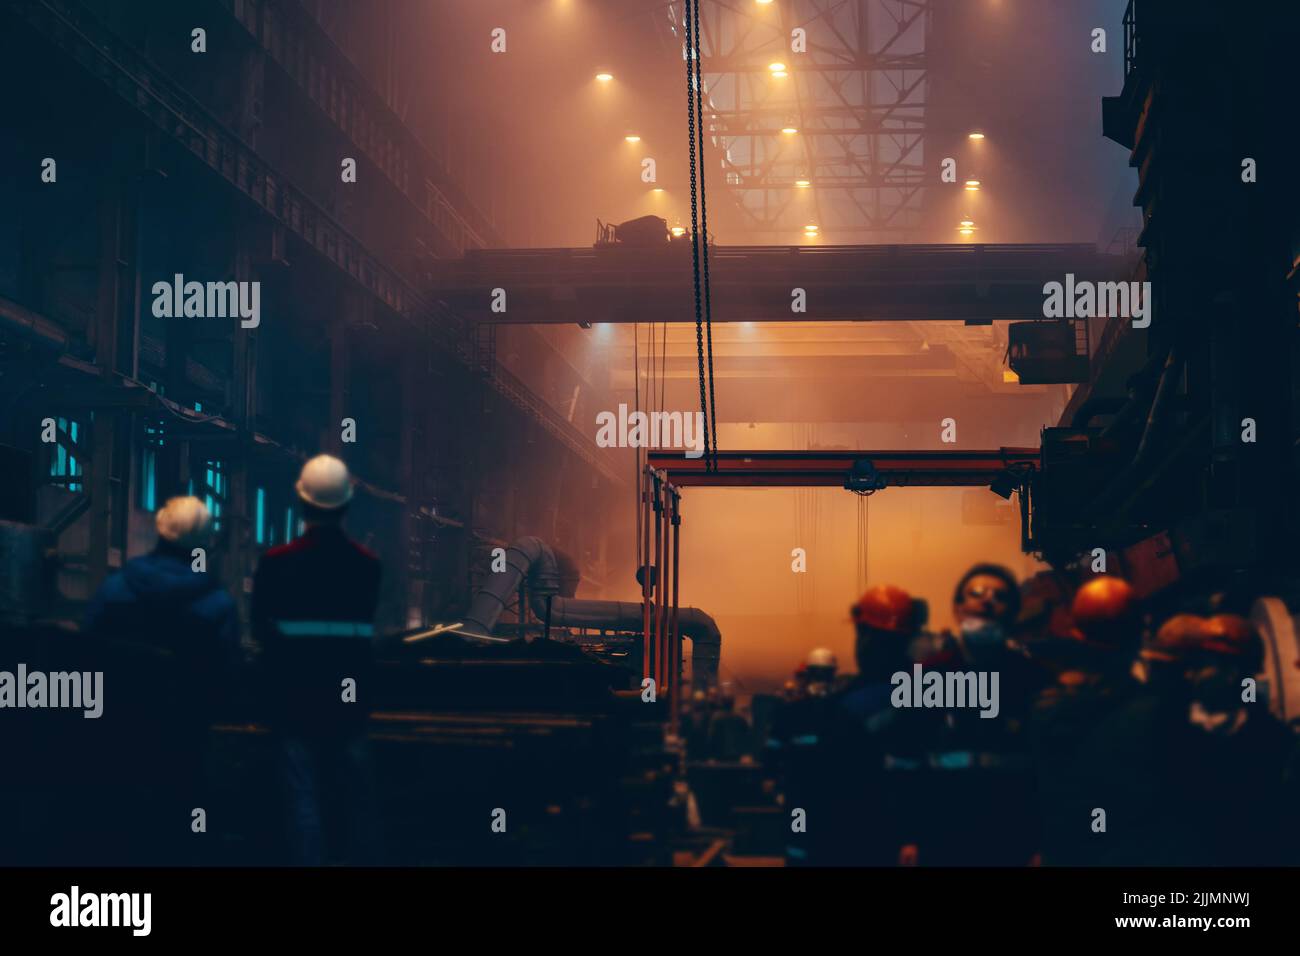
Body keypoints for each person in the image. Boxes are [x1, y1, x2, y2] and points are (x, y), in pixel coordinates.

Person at [84, 496, 240, 864]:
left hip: (118, 731)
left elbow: (87, 654)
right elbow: (227, 677)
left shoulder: (116, 589)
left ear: (160, 530)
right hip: (185, 735)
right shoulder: (216, 604)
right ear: (205, 543)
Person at [252, 455, 383, 865]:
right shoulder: (367, 567)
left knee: (302, 800)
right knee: (354, 802)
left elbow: (261, 632)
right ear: (345, 506)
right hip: (349, 706)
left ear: (303, 504)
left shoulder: (276, 564)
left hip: (295, 704)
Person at [911, 564, 1047, 866]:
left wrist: (1041, 843)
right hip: (942, 839)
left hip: (1009, 841)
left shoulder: (1032, 679)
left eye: (998, 596)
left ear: (1011, 613)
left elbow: (1047, 769)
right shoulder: (929, 677)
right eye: (976, 593)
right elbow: (909, 758)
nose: (987, 600)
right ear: (958, 608)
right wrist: (909, 835)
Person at [1178, 614, 1300, 864]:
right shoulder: (1170, 728)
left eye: (1203, 664)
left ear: (1232, 673)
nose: (1191, 674)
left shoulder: (1276, 743)